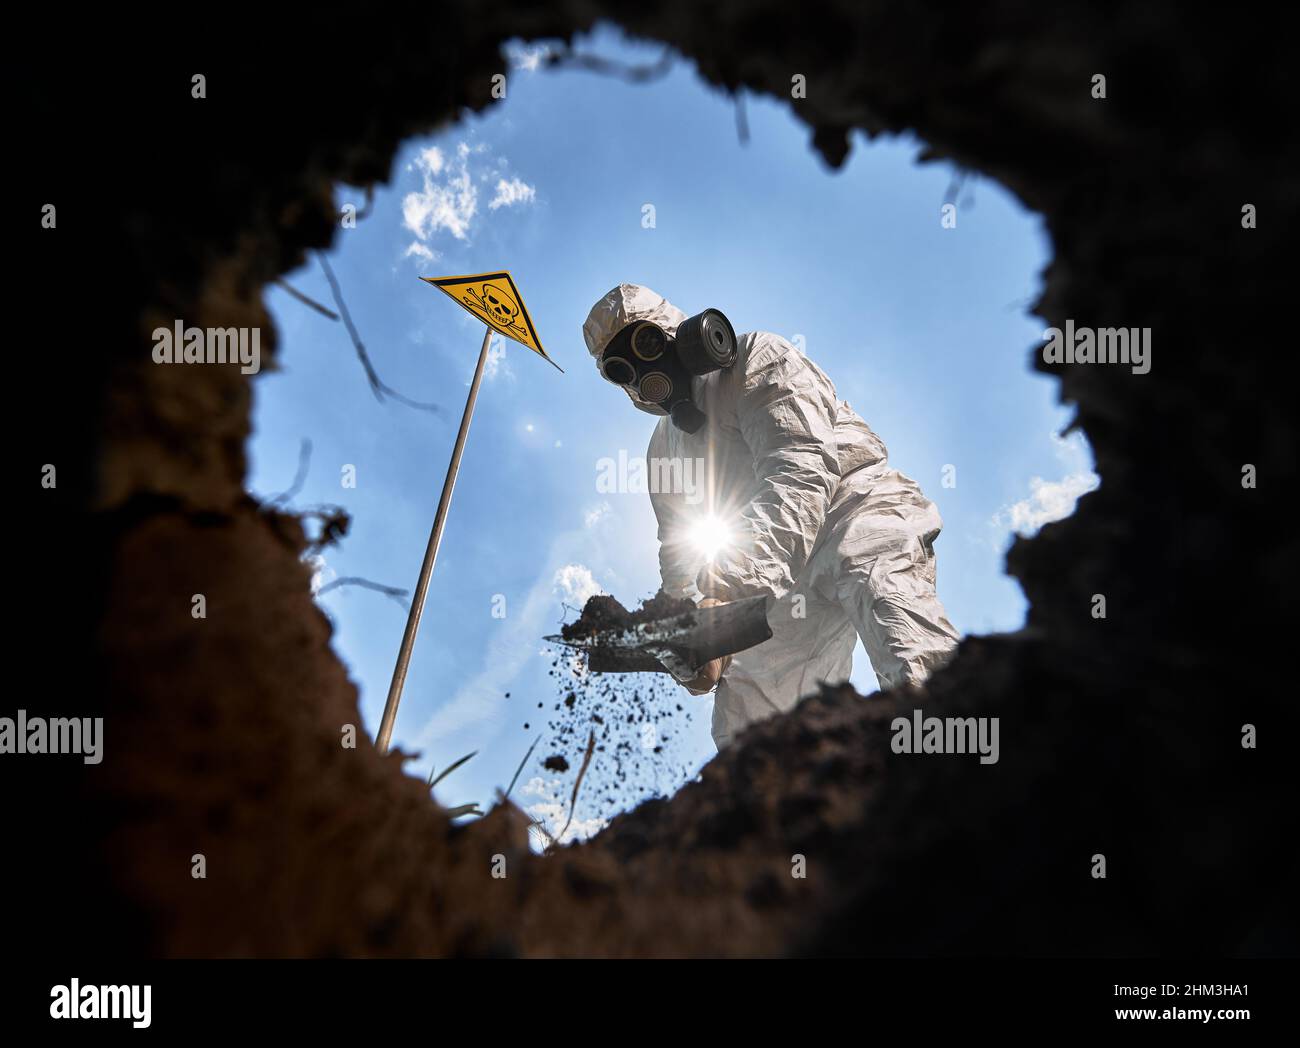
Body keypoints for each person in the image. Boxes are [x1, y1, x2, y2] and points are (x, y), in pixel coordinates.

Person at [582, 283, 960, 749]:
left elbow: (799, 473)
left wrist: (724, 591)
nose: (643, 372)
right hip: (766, 576)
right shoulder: (662, 450)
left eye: (646, 344)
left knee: (892, 613)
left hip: (852, 507)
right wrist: (683, 632)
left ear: (676, 330)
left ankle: (963, 775)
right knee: (750, 723)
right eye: (622, 368)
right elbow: (677, 548)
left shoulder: (757, 358)